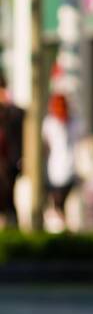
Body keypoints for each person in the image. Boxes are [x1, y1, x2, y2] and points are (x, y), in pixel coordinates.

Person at [42, 92, 80, 228]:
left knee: (62, 201)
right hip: (54, 169)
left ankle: (63, 224)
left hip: (69, 168)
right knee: (57, 202)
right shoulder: (50, 123)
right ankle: (61, 224)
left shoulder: (74, 122)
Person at [0, 73, 25, 228]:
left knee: (8, 197)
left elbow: (20, 117)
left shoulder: (13, 111)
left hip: (8, 162)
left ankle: (12, 227)